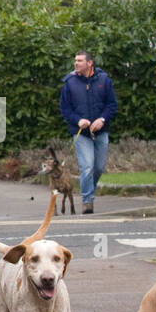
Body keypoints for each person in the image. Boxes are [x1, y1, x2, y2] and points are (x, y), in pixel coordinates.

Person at [59, 49, 117, 214]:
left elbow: (111, 104)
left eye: (80, 61)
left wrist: (102, 120)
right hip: (81, 133)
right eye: (75, 60)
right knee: (87, 167)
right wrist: (78, 120)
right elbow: (65, 108)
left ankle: (89, 190)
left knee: (98, 167)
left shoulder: (104, 80)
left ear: (90, 63)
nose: (76, 63)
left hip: (101, 131)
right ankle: (87, 201)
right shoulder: (69, 83)